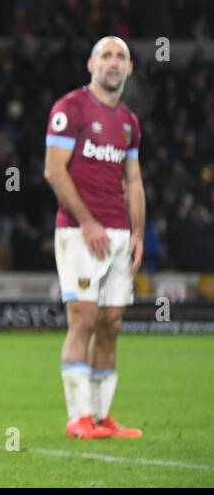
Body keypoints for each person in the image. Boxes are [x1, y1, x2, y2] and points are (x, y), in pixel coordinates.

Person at [43, 36, 145, 439]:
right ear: (91, 64)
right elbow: (54, 170)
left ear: (130, 67)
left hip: (119, 233)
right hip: (78, 232)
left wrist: (138, 233)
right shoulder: (70, 108)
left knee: (111, 323)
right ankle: (78, 417)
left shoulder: (128, 121)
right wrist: (87, 222)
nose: (113, 62)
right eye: (106, 55)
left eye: (121, 56)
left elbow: (133, 180)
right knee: (84, 318)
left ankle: (102, 417)